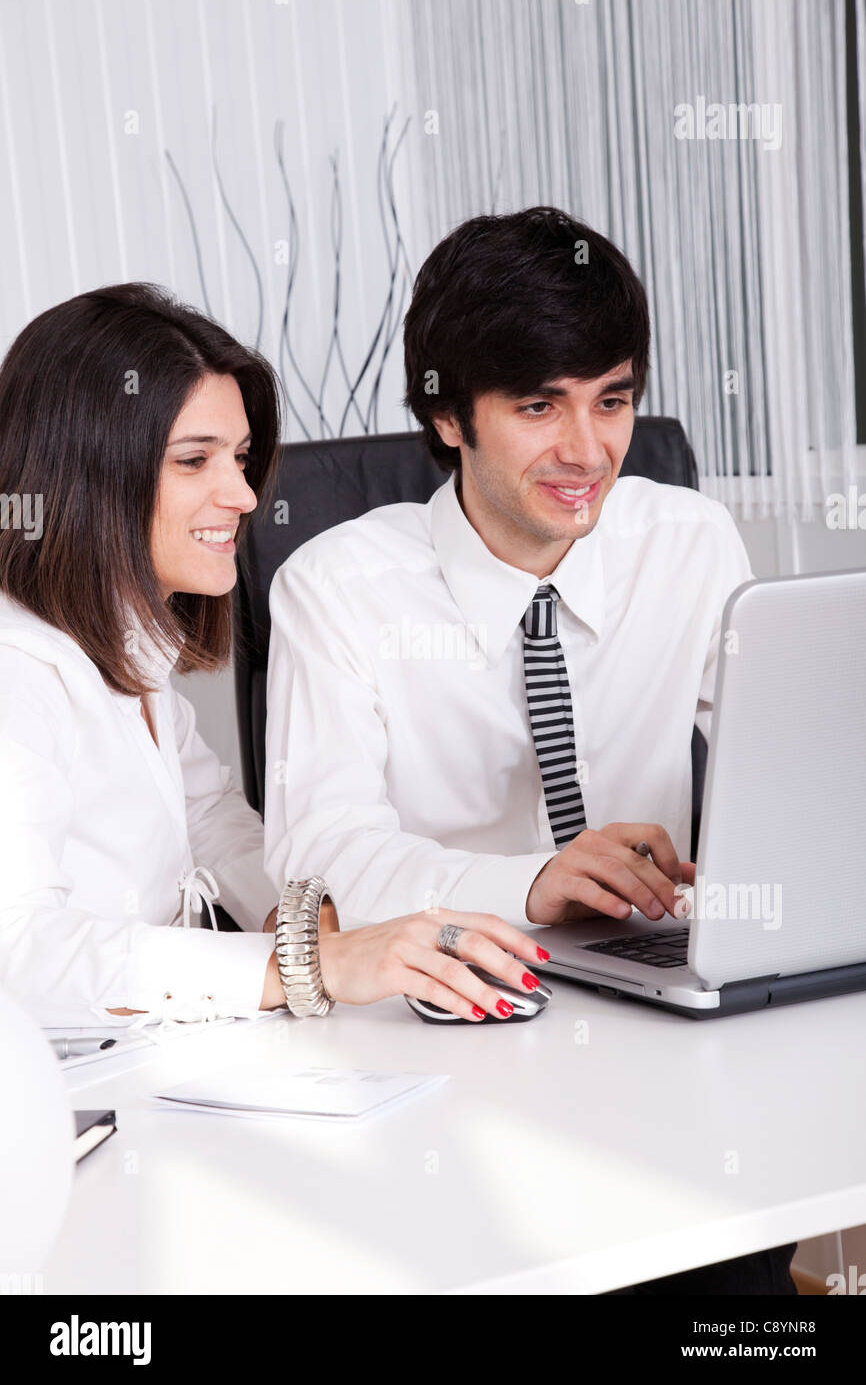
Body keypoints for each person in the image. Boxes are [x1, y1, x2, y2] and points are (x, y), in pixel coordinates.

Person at [263, 206, 797, 1294]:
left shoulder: (683, 542)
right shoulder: (337, 588)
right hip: (445, 1058)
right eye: (538, 407)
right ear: (449, 416)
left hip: (667, 1033)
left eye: (612, 400)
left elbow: (791, 765)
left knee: (738, 1268)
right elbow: (315, 858)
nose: (586, 450)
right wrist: (532, 883)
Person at [0, 282, 545, 1033]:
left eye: (242, 457)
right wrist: (304, 968)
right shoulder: (16, 671)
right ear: (83, 472)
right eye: (195, 461)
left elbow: (211, 819)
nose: (245, 496)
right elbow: (21, 953)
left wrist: (329, 927)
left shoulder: (127, 647)